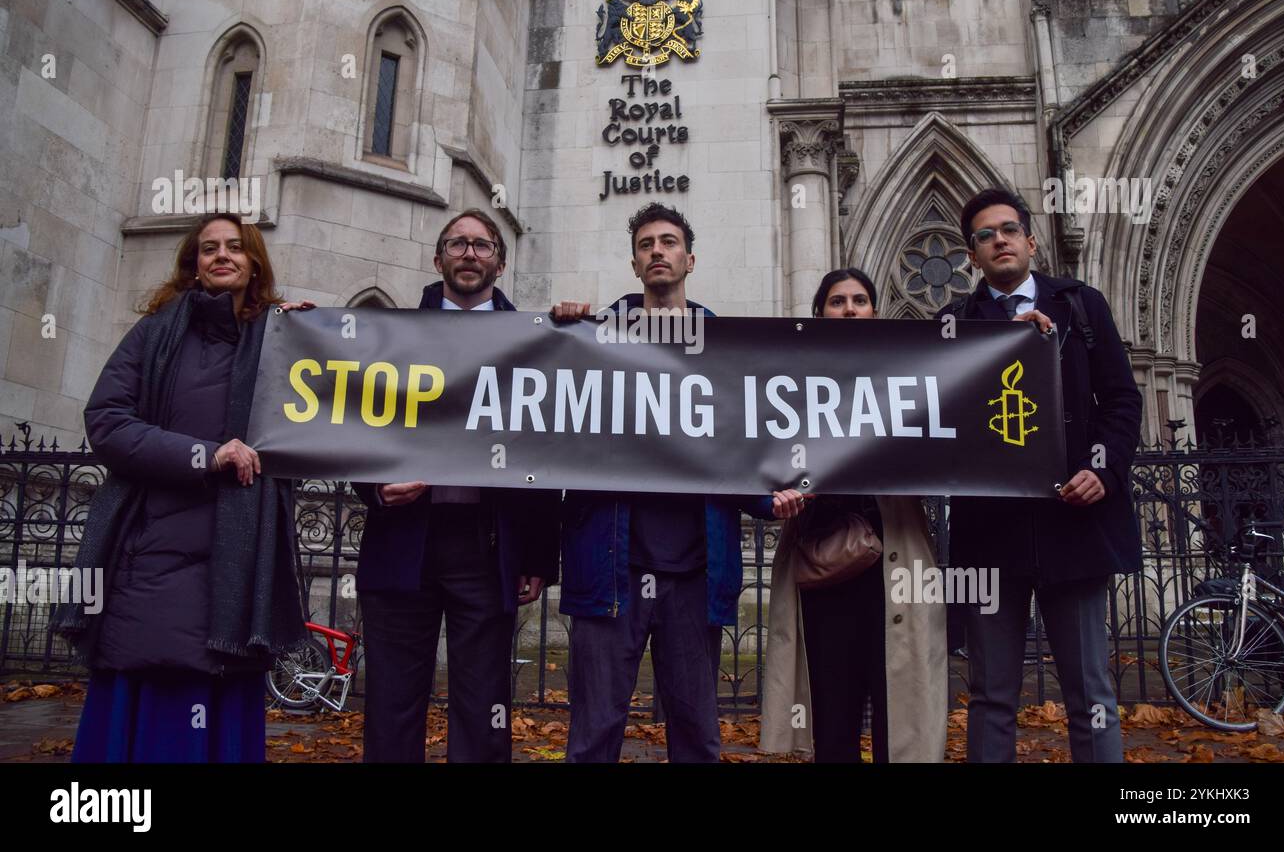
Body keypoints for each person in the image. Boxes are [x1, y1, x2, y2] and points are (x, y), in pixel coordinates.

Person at [551, 202, 801, 762]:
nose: (657, 251)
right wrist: (559, 329)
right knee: (593, 732)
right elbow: (549, 424)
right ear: (635, 264)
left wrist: (771, 498)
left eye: (668, 242)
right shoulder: (592, 338)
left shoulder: (729, 347)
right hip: (609, 567)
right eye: (646, 244)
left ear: (690, 259)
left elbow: (745, 441)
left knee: (695, 733)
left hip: (694, 572)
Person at [59, 211, 307, 762]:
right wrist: (204, 455)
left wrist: (315, 340)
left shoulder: (280, 337)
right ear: (193, 265)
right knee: (157, 676)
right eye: (209, 248)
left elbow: (315, 428)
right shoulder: (155, 333)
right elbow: (106, 420)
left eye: (235, 247)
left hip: (241, 555)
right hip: (152, 544)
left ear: (254, 263)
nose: (222, 255)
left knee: (223, 683)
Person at [938, 187, 1142, 763]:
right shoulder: (954, 323)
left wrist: (1099, 469)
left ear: (1030, 240)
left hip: (1074, 528)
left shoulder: (1081, 305)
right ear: (971, 256)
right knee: (990, 696)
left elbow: (1122, 403)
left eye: (1008, 229)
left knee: (1090, 694)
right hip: (990, 536)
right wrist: (1002, 348)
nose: (998, 239)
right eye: (984, 235)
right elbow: (938, 421)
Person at [350, 208, 561, 763]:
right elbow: (348, 428)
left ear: (501, 260)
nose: (470, 253)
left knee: (483, 703)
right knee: (392, 701)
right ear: (438, 257)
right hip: (402, 540)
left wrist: (537, 554)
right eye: (457, 244)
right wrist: (375, 489)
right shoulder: (388, 335)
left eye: (482, 245)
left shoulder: (536, 342)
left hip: (487, 546)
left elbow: (545, 449)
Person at [760, 268, 949, 762]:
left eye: (860, 300)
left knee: (898, 706)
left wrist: (1026, 338)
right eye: (837, 301)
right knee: (833, 711)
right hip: (823, 569)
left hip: (896, 559)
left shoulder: (910, 372)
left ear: (874, 310)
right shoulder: (791, 378)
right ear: (820, 313)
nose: (849, 309)